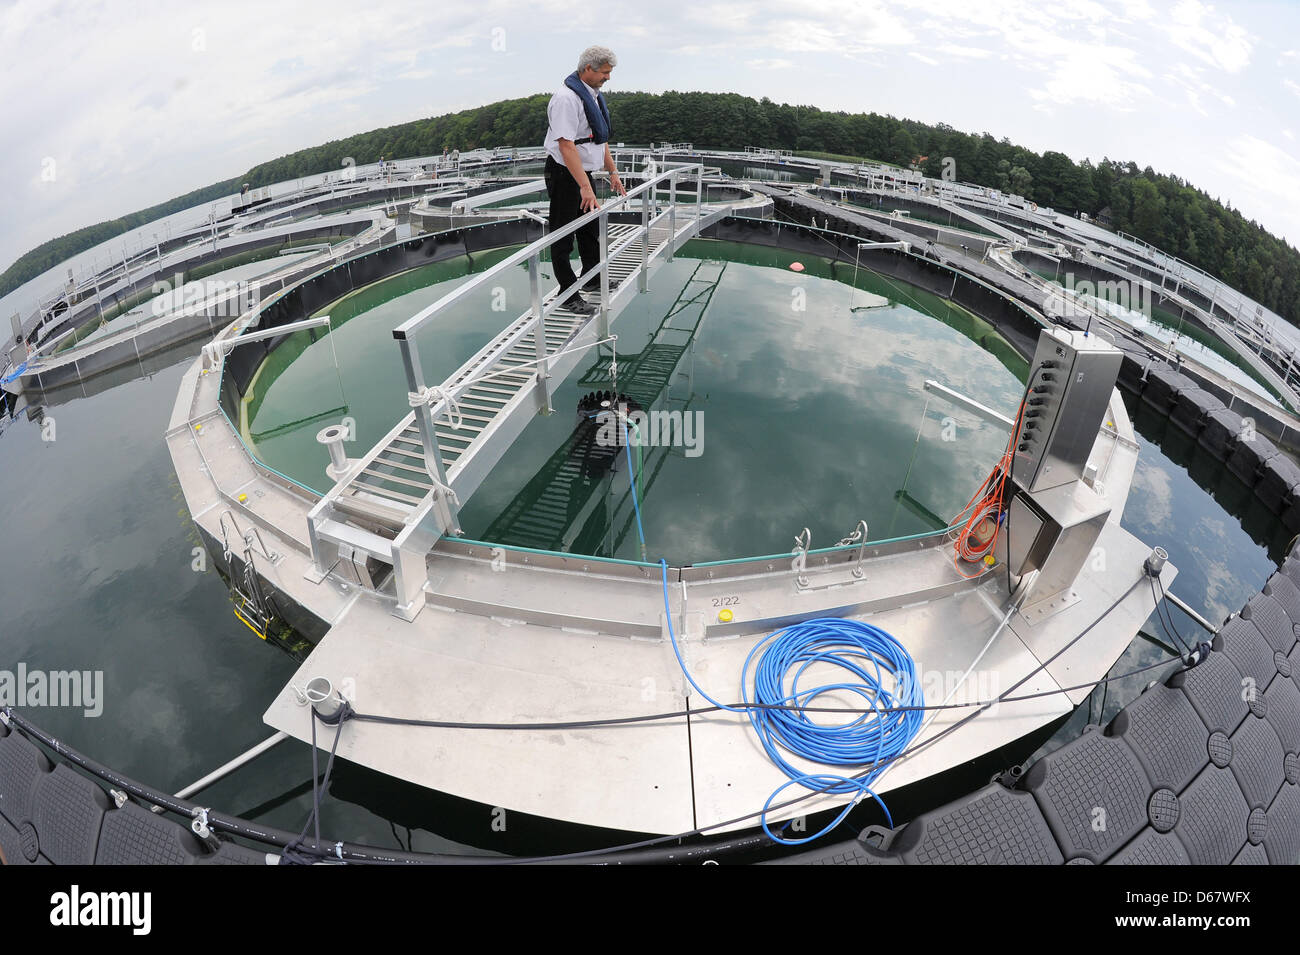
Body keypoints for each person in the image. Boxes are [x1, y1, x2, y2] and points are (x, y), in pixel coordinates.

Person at [543, 45, 627, 314]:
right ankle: (568, 295)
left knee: (589, 228)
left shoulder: (592, 96)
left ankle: (592, 279)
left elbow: (598, 139)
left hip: (582, 173)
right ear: (588, 69)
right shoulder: (566, 99)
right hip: (564, 172)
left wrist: (612, 172)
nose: (608, 78)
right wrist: (584, 187)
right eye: (604, 72)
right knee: (563, 234)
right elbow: (567, 145)